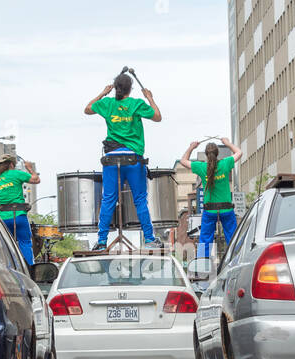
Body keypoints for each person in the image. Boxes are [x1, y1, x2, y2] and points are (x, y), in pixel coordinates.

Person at [85, 72, 163, 250]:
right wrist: (150, 98)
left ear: (115, 88)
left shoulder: (107, 103)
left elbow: (87, 109)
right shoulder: (136, 104)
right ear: (130, 88)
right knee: (140, 200)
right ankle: (150, 239)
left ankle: (102, 241)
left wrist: (103, 93)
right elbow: (157, 116)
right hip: (133, 158)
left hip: (112, 159)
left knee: (108, 199)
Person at [182, 138, 243, 261]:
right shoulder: (225, 164)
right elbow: (239, 153)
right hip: (226, 209)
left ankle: (202, 266)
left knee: (205, 238)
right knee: (232, 237)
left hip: (210, 210)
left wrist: (191, 147)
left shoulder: (201, 167)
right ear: (217, 153)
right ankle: (236, 260)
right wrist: (227, 143)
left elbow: (183, 161)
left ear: (206, 154)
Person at [0, 155, 40, 264]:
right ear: (11, 164)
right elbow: (36, 180)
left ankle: (10, 269)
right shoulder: (16, 173)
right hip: (19, 216)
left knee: (6, 246)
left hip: (3, 219)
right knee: (25, 242)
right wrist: (29, 168)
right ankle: (29, 269)